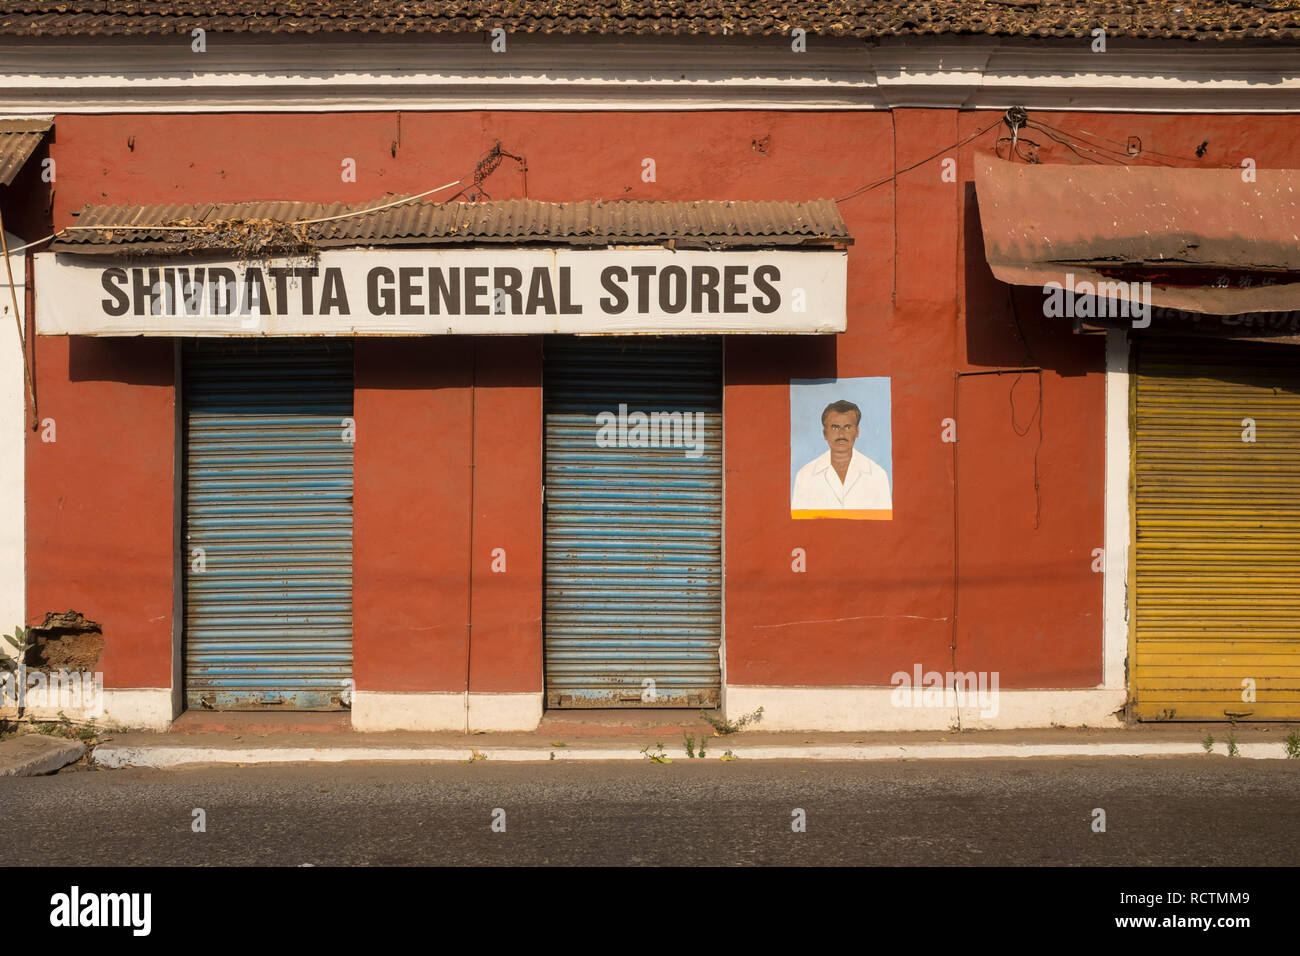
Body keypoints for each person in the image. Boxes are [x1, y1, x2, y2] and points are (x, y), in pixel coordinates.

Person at [791, 399, 892, 512]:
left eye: (848, 427)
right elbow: (797, 526)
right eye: (835, 427)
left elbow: (885, 525)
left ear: (857, 432)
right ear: (825, 433)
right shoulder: (805, 476)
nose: (841, 434)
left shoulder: (877, 475)